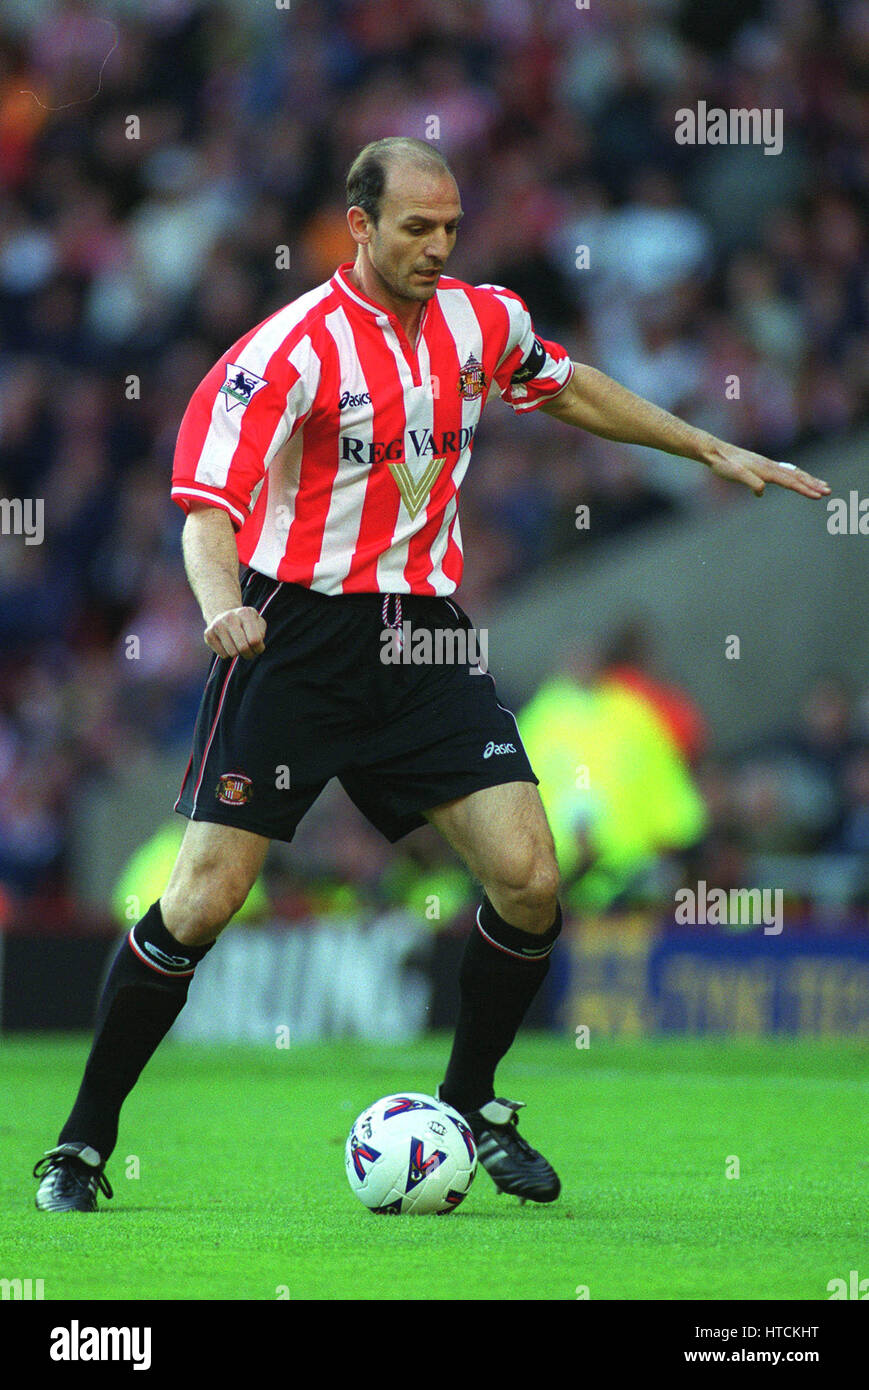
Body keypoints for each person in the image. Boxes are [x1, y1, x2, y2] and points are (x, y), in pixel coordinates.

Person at [33, 136, 830, 1212]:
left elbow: (565, 385)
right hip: (293, 636)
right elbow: (207, 507)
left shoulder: (479, 318)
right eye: (416, 228)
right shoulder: (287, 351)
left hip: (424, 641)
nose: (437, 246)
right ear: (358, 226)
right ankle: (79, 1146)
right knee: (204, 897)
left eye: (450, 226)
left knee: (530, 877)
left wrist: (705, 448)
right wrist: (220, 608)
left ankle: (473, 1106)